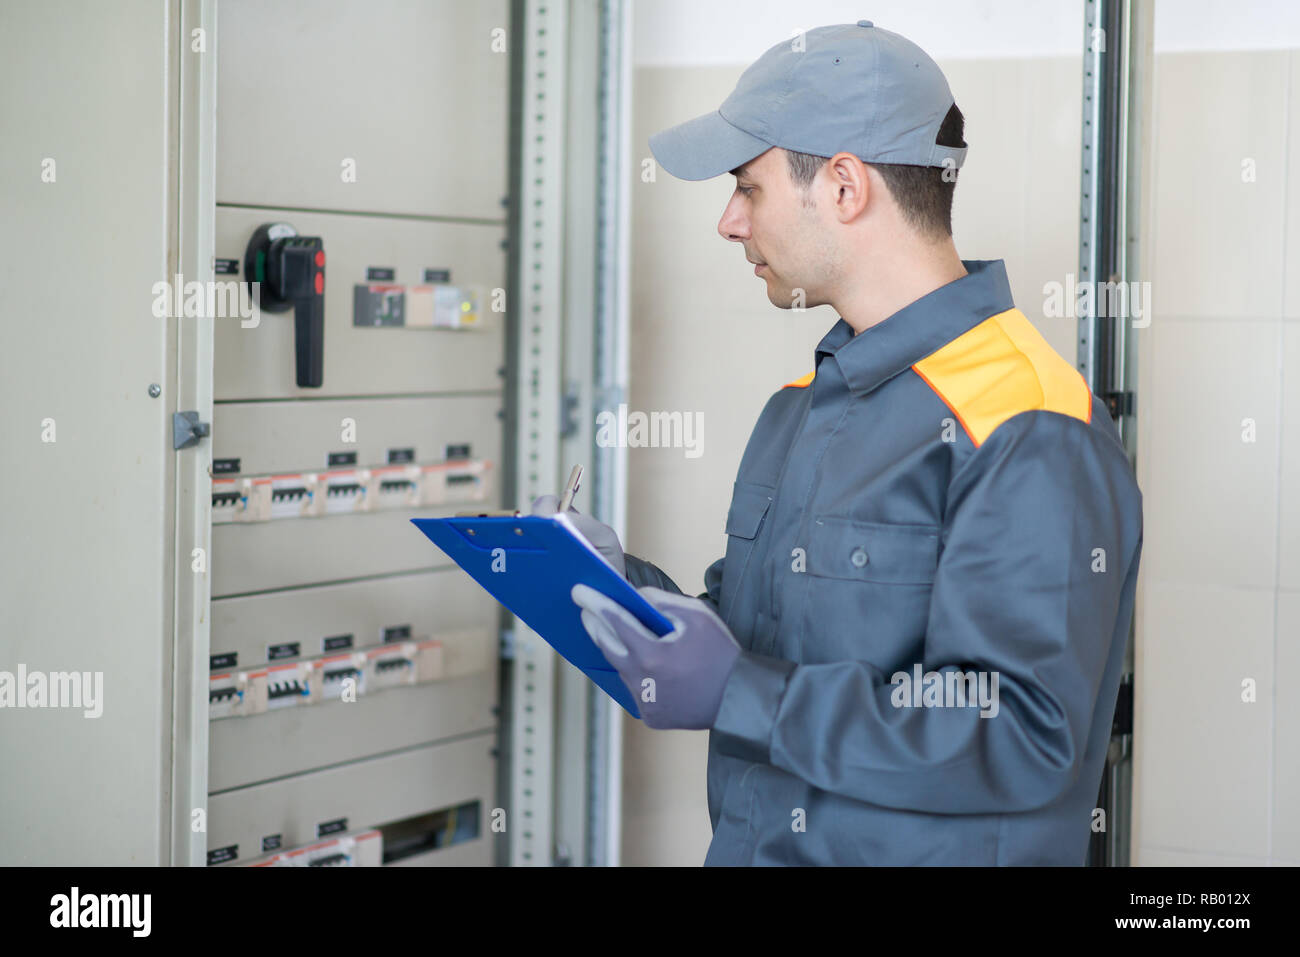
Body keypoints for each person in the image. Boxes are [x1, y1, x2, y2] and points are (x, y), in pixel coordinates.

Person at [535, 21, 1143, 866]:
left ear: (846, 187)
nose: (728, 221)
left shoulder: (1025, 420)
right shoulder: (803, 408)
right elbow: (760, 636)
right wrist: (606, 587)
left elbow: (1023, 735)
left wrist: (740, 693)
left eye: (749, 187)